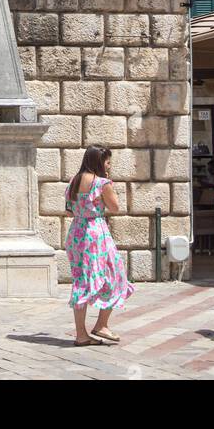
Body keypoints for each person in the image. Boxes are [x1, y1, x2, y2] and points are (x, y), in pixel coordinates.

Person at [64, 146, 132, 346]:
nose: (109, 165)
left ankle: (82, 333)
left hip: (76, 233)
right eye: (108, 161)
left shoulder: (73, 181)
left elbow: (69, 211)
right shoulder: (102, 183)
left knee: (81, 281)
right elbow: (115, 207)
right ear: (99, 162)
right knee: (116, 274)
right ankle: (100, 325)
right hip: (96, 234)